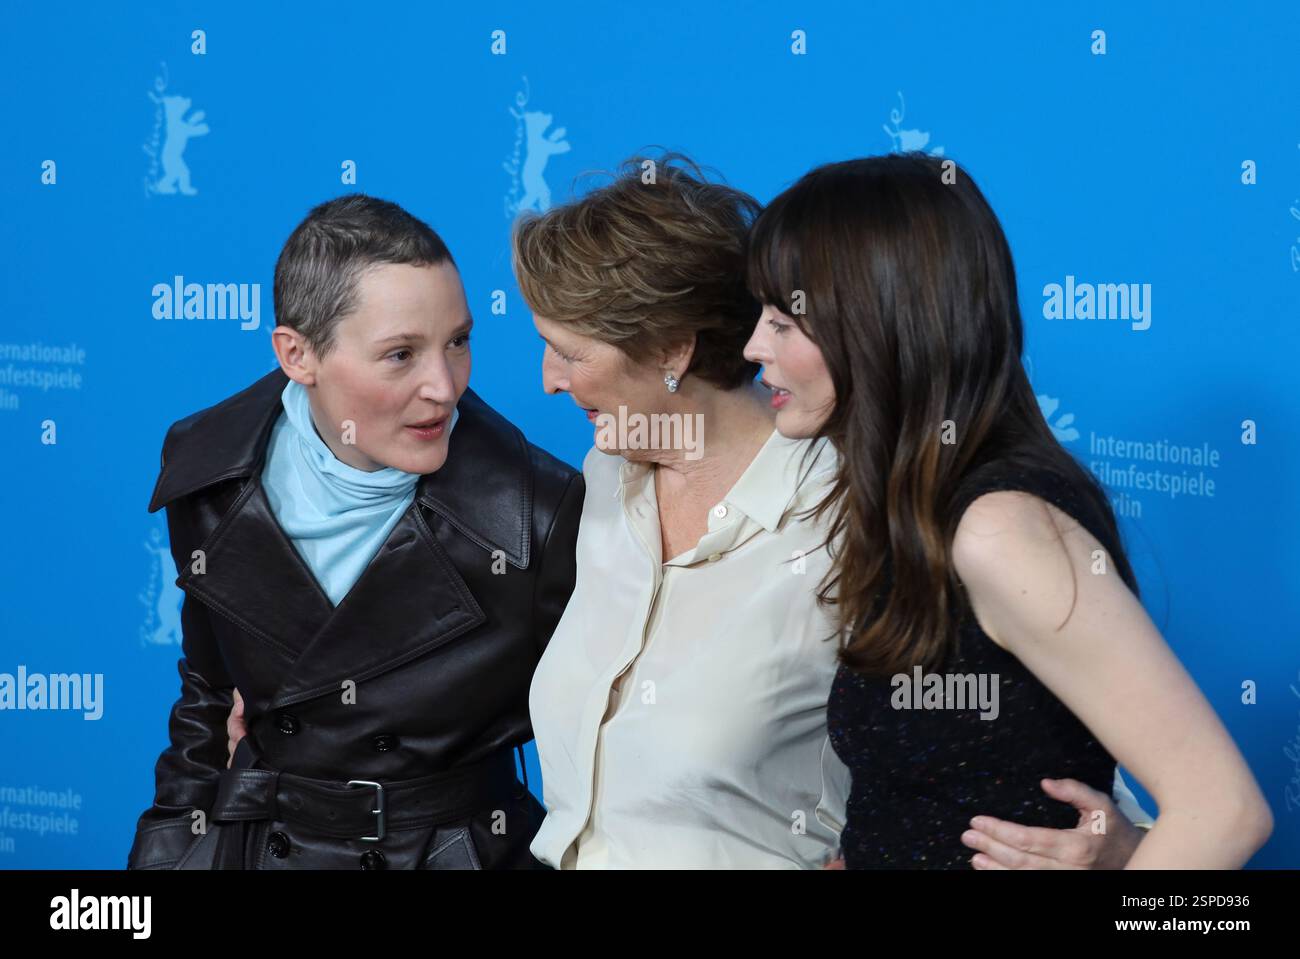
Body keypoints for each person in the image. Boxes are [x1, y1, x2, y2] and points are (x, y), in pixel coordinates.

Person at [507, 152, 1153, 868]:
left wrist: (1117, 848)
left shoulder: (863, 512)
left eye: (566, 351)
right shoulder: (606, 479)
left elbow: (1038, 752)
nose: (547, 381)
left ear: (670, 349)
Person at [741, 152, 1274, 868]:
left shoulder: (997, 529)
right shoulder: (910, 509)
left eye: (783, 321)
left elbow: (1224, 810)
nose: (753, 348)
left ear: (880, 323)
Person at [127, 194, 582, 869]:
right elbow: (207, 695)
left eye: (458, 341)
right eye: (400, 354)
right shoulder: (205, 469)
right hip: (258, 848)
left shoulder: (535, 513)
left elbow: (611, 750)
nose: (444, 386)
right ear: (297, 355)